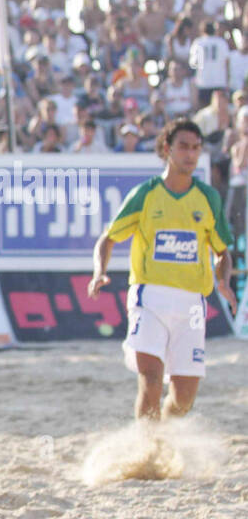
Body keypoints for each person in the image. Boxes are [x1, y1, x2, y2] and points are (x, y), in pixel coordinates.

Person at [87, 119, 237, 421]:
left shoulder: (208, 197)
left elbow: (223, 251)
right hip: (149, 298)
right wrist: (98, 272)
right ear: (167, 149)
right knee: (151, 382)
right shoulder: (146, 194)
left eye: (196, 148)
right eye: (183, 146)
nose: (191, 154)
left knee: (183, 399)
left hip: (193, 304)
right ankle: (146, 449)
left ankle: (163, 436)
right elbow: (108, 238)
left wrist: (224, 281)